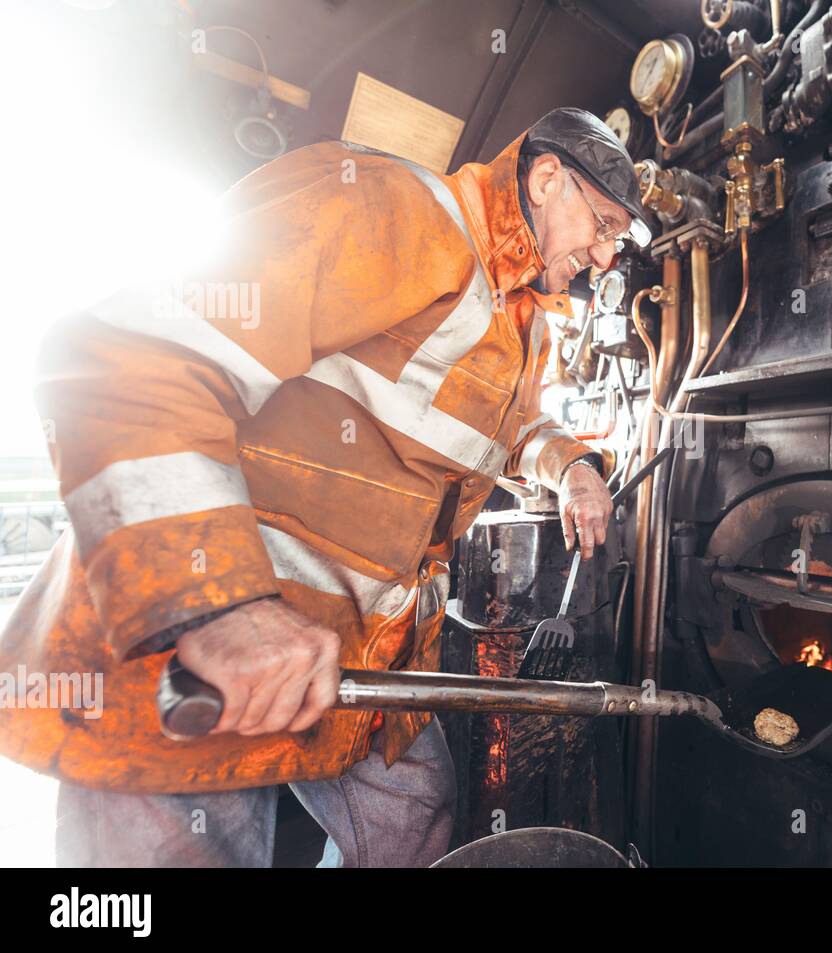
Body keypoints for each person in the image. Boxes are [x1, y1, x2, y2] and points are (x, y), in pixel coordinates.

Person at [0, 106, 652, 866]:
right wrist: (223, 607)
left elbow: (508, 436)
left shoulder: (524, 323)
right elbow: (134, 359)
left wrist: (573, 467)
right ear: (546, 180)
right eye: (603, 225)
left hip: (359, 665)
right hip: (190, 652)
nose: (607, 257)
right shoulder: (394, 210)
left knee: (417, 806)